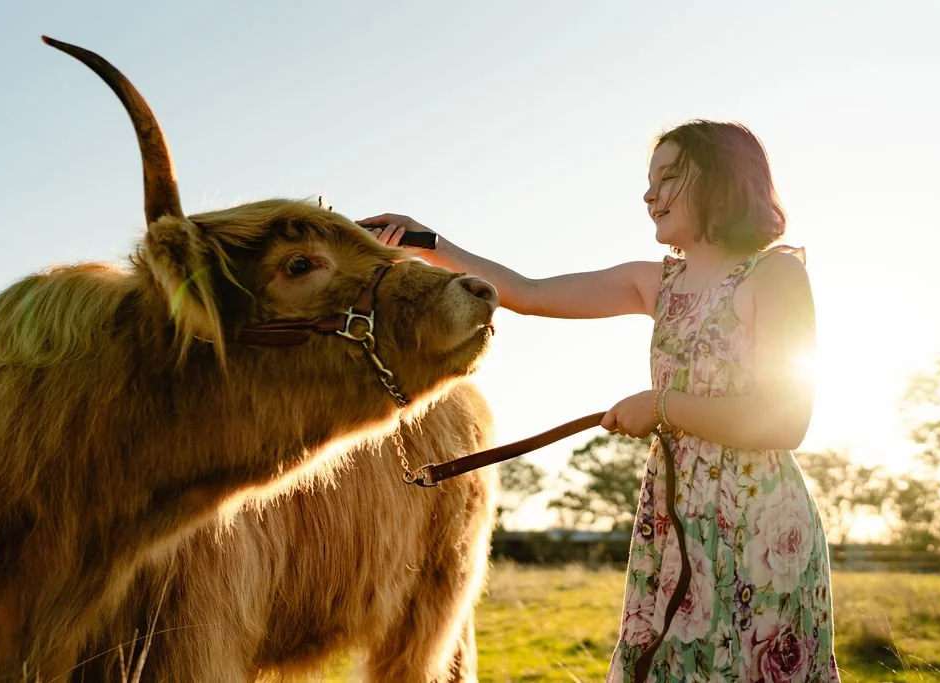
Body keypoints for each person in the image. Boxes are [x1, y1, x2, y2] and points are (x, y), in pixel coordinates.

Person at [360, 119, 840, 682]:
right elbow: (528, 293)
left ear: (722, 181)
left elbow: (786, 420)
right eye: (649, 180)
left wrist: (661, 407)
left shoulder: (775, 274)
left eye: (669, 177)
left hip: (758, 524)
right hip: (674, 517)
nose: (649, 194)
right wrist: (428, 243)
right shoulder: (655, 283)